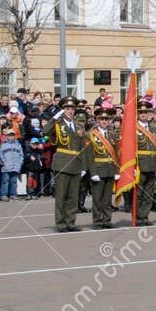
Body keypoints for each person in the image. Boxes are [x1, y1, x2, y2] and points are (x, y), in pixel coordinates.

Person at [50, 97, 87, 232]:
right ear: (62, 110)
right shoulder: (58, 125)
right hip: (62, 164)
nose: (70, 111)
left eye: (72, 109)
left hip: (76, 165)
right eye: (67, 109)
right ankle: (60, 223)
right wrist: (54, 119)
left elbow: (83, 148)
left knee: (73, 196)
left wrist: (84, 167)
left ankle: (70, 222)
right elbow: (45, 132)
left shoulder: (78, 127)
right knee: (61, 196)